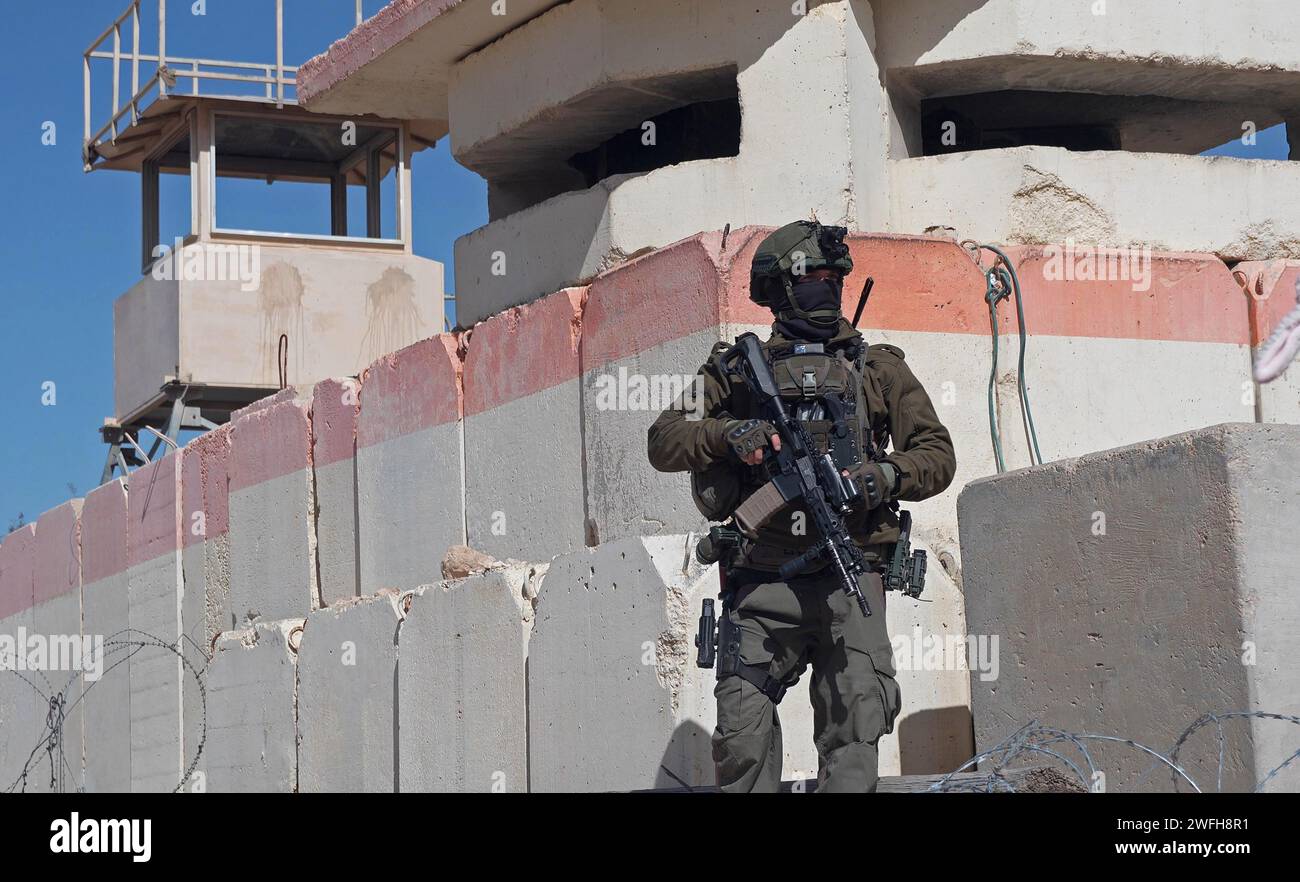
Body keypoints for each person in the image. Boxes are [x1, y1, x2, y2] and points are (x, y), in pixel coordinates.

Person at [646, 220, 956, 792]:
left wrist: (885, 474)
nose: (827, 286)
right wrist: (728, 433)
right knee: (741, 749)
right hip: (762, 588)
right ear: (781, 288)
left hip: (852, 578)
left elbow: (938, 456)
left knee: (855, 738)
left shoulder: (877, 369)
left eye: (835, 276)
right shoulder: (734, 371)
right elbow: (663, 438)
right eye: (813, 276)